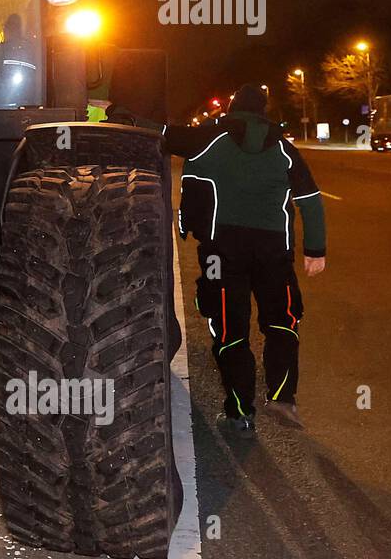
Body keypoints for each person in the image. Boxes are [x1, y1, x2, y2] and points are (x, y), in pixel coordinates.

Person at [136, 83, 327, 438]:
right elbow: (311, 199)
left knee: (230, 330)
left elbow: (160, 133)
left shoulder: (208, 138)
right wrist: (315, 251)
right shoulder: (284, 148)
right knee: (282, 322)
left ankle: (240, 413)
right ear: (264, 111)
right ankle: (283, 396)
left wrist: (121, 116)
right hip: (274, 252)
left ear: (233, 107)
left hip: (221, 253)